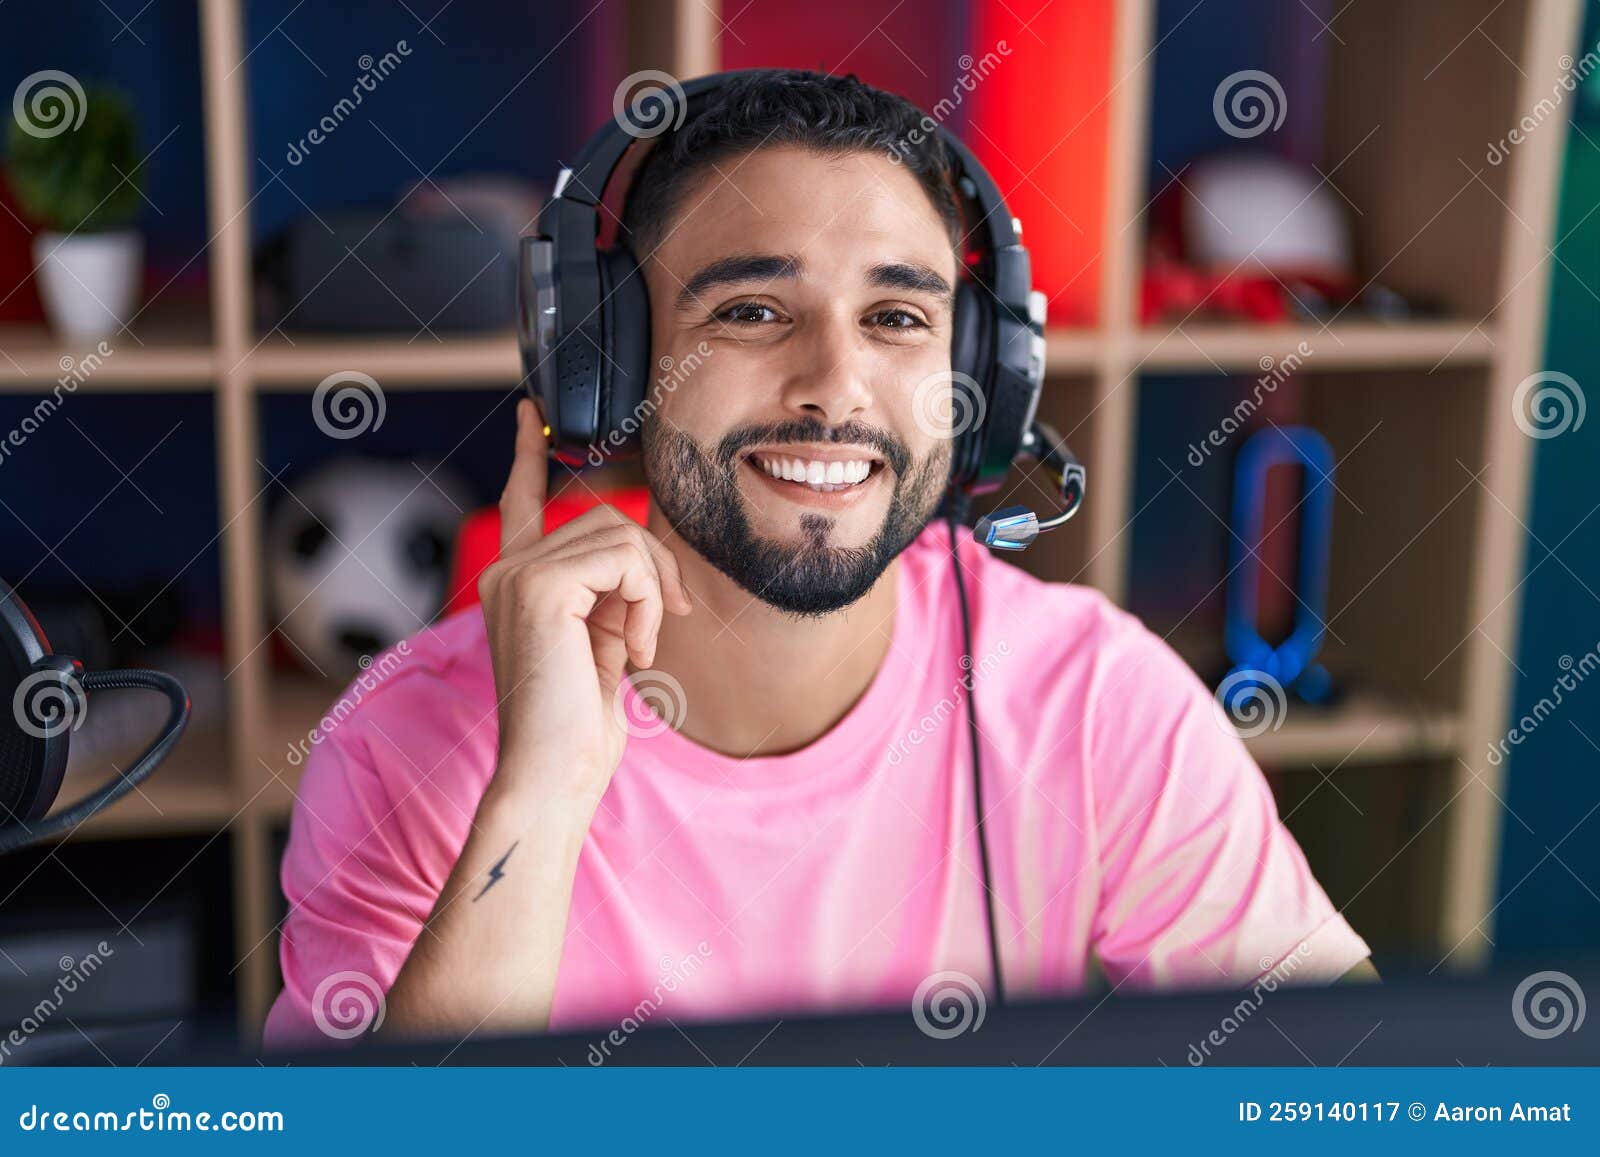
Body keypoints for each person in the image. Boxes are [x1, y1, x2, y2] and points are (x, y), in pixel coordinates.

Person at [263, 69, 1373, 1048]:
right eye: (751, 309)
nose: (835, 384)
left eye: (897, 317)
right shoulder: (398, 740)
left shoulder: (1090, 698)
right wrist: (538, 792)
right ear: (606, 364)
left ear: (980, 384)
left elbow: (1354, 1087)